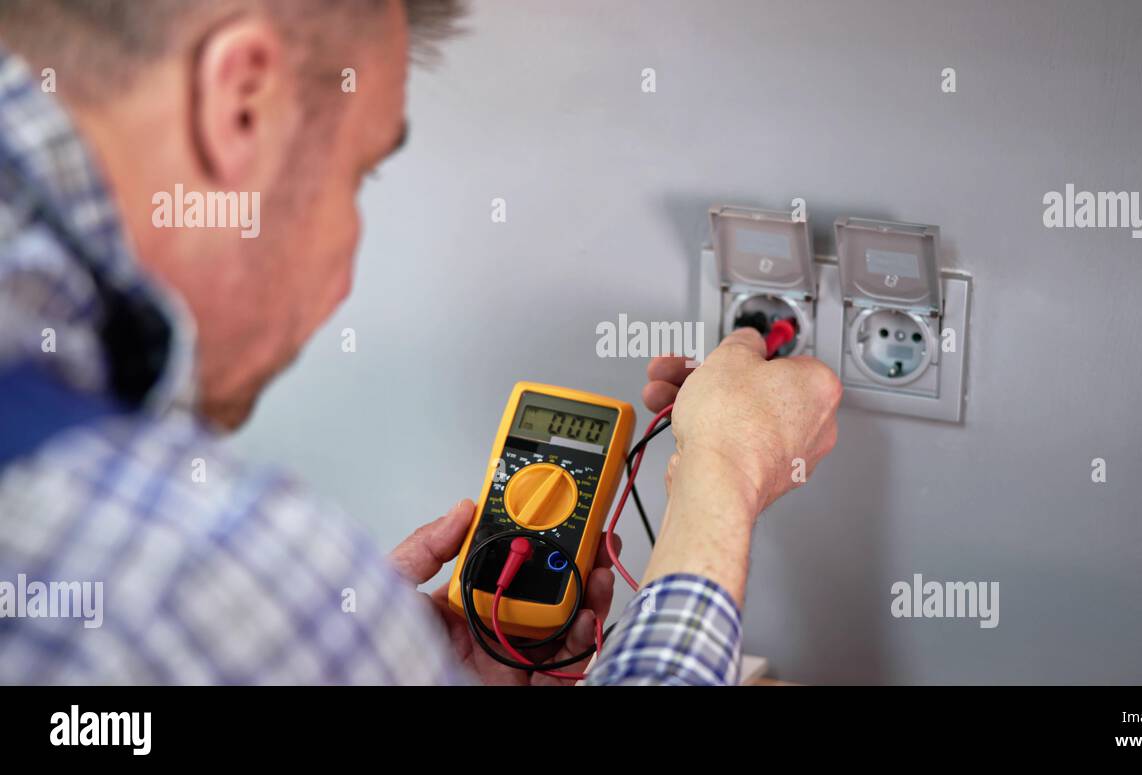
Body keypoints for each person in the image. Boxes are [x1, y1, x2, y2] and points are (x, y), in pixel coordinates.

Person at [0, 0, 841, 685]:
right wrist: (722, 478)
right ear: (241, 104)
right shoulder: (196, 572)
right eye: (357, 175)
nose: (348, 266)